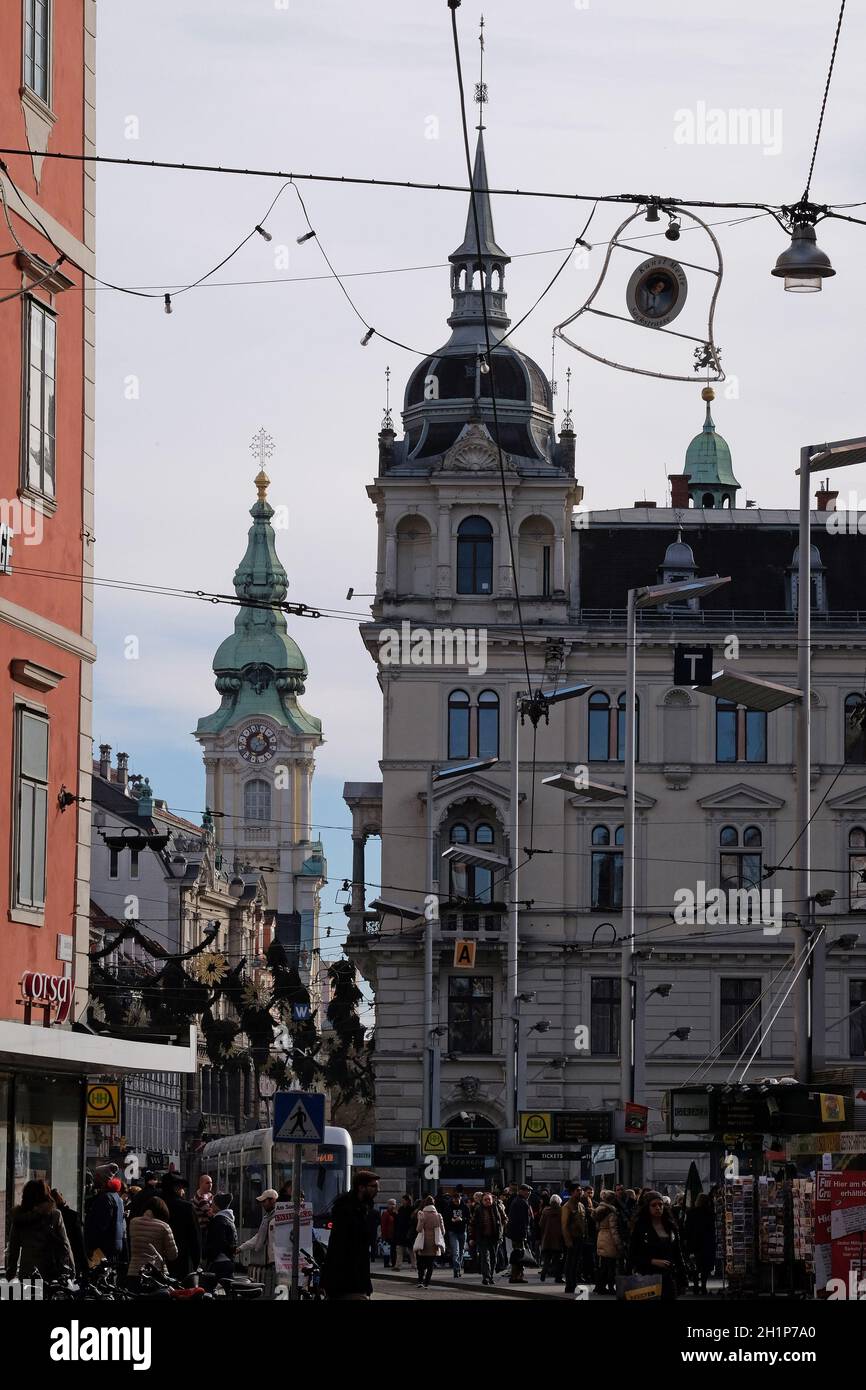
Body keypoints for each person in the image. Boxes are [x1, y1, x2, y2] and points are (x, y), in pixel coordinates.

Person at [321, 1169, 380, 1301]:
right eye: (373, 1186)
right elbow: (341, 1247)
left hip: (356, 1278)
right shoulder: (346, 1210)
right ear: (361, 1187)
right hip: (345, 1279)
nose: (378, 1190)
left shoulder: (365, 1208)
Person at [6, 1179, 74, 1280]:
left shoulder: (20, 1218)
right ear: (45, 1195)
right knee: (50, 1295)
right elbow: (65, 1245)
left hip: (28, 1274)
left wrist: (10, 1274)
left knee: (31, 1295)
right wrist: (71, 1270)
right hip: (51, 1272)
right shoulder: (54, 1215)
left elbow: (13, 1250)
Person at [628, 1191, 687, 1300]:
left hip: (668, 1277)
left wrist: (683, 1275)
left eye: (660, 1204)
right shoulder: (640, 1227)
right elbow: (632, 1255)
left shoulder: (670, 1226)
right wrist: (652, 1261)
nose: (658, 1208)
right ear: (647, 1207)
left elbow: (677, 1252)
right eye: (653, 1205)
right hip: (647, 1276)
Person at [126, 1193, 179, 1288]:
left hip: (134, 1272)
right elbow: (172, 1255)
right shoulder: (164, 1226)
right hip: (157, 1274)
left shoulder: (133, 1223)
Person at [238, 1188, 278, 1296]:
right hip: (272, 1261)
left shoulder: (279, 1218)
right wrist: (241, 1248)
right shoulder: (267, 1218)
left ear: (273, 1200)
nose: (262, 1205)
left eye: (264, 1201)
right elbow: (258, 1237)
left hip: (280, 1260)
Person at [160, 1174, 201, 1281]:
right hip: (182, 1258)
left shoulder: (155, 1206)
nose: (183, 1191)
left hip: (160, 1259)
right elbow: (195, 1237)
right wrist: (197, 1261)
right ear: (176, 1188)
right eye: (182, 1188)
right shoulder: (186, 1207)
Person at [84, 1168, 127, 1267]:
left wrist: (91, 1244)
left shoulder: (105, 1198)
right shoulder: (117, 1198)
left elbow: (100, 1225)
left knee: (98, 1274)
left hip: (103, 1247)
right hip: (113, 1244)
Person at [51, 1190, 87, 1279]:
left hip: (52, 1260)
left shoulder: (48, 1216)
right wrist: (84, 1265)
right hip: (70, 1259)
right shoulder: (73, 1216)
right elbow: (79, 1242)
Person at [593, 1191, 624, 1295]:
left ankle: (599, 1286)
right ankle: (611, 1287)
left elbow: (597, 1226)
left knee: (603, 1265)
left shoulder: (598, 1210)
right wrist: (619, 1245)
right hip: (609, 1240)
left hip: (601, 1237)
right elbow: (614, 1230)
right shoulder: (611, 1212)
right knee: (611, 1266)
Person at [683, 1193, 715, 1296]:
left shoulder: (691, 1212)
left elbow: (687, 1228)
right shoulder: (710, 1213)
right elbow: (712, 1229)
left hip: (694, 1242)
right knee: (705, 1266)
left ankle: (696, 1286)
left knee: (695, 1265)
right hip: (707, 1242)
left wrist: (686, 1241)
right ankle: (704, 1286)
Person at [470, 1191, 504, 1286]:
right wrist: (472, 1238)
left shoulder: (497, 1208)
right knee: (485, 1258)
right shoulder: (478, 1210)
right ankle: (486, 1277)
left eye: (489, 1199)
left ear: (492, 1200)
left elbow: (504, 1219)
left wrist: (501, 1232)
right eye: (485, 1200)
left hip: (495, 1237)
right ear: (482, 1201)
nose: (488, 1201)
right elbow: (472, 1224)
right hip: (483, 1237)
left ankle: (491, 1276)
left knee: (493, 1258)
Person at [414, 1195, 446, 1288]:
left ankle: (420, 1281)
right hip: (434, 1243)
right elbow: (443, 1231)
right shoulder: (438, 1215)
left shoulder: (422, 1214)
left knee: (421, 1263)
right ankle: (426, 1283)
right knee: (430, 1264)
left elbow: (418, 1229)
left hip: (423, 1242)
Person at [561, 1185, 587, 1294]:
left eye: (581, 1190)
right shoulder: (567, 1206)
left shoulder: (580, 1205)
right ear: (572, 1192)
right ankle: (569, 1286)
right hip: (572, 1238)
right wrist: (568, 1241)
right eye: (578, 1191)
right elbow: (564, 1225)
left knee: (576, 1263)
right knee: (570, 1263)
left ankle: (574, 1284)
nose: (580, 1192)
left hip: (580, 1237)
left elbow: (583, 1221)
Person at [205, 1192, 238, 1273]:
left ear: (217, 1205)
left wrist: (210, 1258)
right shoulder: (229, 1219)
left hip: (219, 1263)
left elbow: (218, 1242)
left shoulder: (218, 1220)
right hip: (229, 1261)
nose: (211, 1205)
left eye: (212, 1203)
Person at [538, 1193, 564, 1282]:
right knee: (557, 1260)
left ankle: (543, 1274)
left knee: (547, 1259)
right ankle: (558, 1277)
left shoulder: (545, 1211)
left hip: (547, 1238)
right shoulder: (562, 1211)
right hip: (558, 1238)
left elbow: (541, 1224)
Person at [444, 1191, 469, 1279]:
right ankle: (456, 1269)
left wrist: (462, 1219)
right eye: (455, 1201)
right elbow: (445, 1219)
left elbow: (469, 1218)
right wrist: (451, 1220)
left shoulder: (465, 1207)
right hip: (453, 1231)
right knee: (456, 1251)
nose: (456, 1202)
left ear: (460, 1199)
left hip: (462, 1231)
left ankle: (458, 1268)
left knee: (461, 1252)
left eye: (457, 1200)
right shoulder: (449, 1207)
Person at [393, 1193, 416, 1270]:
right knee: (399, 1250)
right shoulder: (401, 1209)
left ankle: (414, 1265)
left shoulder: (411, 1209)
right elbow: (398, 1220)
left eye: (403, 1200)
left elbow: (411, 1221)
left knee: (411, 1250)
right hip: (401, 1232)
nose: (402, 1202)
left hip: (408, 1232)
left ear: (407, 1201)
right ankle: (398, 1265)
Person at [379, 1198, 398, 1269]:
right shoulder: (385, 1213)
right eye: (391, 1204)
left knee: (393, 1250)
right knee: (386, 1249)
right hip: (387, 1235)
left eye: (394, 1204)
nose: (393, 1206)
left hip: (394, 1235)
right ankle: (386, 1263)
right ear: (388, 1205)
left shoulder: (395, 1213)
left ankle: (393, 1262)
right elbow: (383, 1225)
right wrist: (383, 1235)